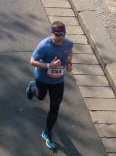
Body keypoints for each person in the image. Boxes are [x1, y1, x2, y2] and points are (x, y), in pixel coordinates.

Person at [26, 22, 73, 150]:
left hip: (58, 82)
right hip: (43, 79)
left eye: (62, 34)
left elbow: (69, 53)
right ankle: (32, 88)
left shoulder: (69, 43)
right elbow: (32, 61)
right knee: (40, 97)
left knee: (55, 107)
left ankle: (47, 132)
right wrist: (49, 66)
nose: (60, 37)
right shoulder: (44, 46)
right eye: (57, 34)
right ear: (52, 33)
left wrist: (69, 64)